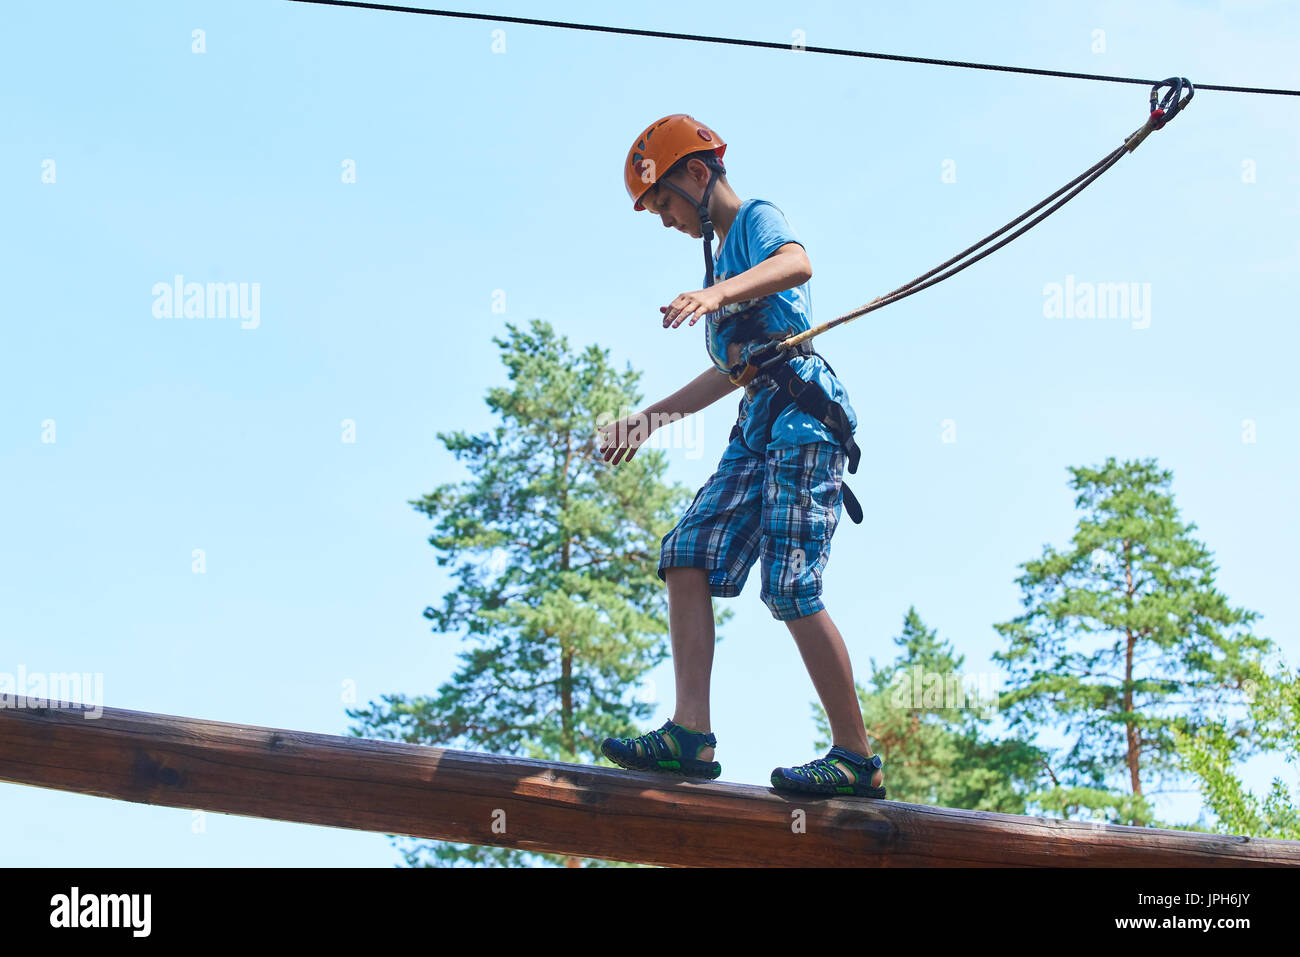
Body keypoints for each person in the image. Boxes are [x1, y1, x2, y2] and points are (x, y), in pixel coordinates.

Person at [596, 114, 885, 798]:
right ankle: (689, 734)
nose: (664, 219)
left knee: (789, 585)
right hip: (757, 424)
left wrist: (717, 293)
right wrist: (648, 420)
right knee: (687, 551)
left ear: (698, 174)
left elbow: (797, 262)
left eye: (663, 201)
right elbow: (733, 373)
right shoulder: (719, 262)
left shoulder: (754, 219)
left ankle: (856, 756)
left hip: (803, 421)